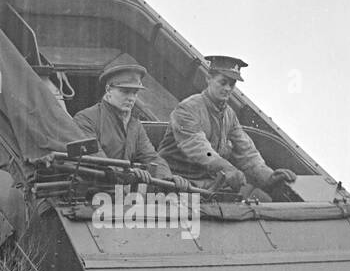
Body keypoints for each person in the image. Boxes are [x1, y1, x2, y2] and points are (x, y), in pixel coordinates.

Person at [157, 55, 296, 200]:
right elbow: (200, 149)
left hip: (208, 184)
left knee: (262, 200)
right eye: (223, 82)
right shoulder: (187, 109)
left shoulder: (229, 115)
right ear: (208, 78)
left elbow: (246, 151)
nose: (227, 89)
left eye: (232, 84)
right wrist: (226, 168)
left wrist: (268, 176)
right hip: (176, 182)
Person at [73, 56, 174, 186]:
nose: (131, 98)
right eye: (125, 92)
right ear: (108, 90)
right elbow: (95, 158)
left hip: (120, 193)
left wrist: (167, 178)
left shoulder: (135, 125)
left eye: (135, 92)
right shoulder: (86, 119)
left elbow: (151, 157)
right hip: (92, 191)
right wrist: (128, 173)